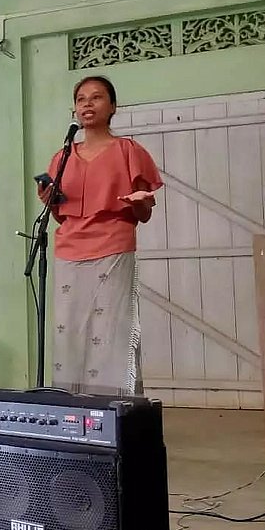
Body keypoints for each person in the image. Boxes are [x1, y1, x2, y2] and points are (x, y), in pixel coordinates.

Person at [39, 75, 162, 396]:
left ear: (113, 107)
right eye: (81, 99)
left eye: (96, 97)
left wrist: (141, 203)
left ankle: (116, 410)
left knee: (111, 332)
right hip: (69, 251)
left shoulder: (128, 151)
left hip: (113, 248)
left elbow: (143, 215)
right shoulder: (62, 157)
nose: (87, 104)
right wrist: (49, 200)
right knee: (69, 334)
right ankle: (72, 408)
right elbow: (60, 215)